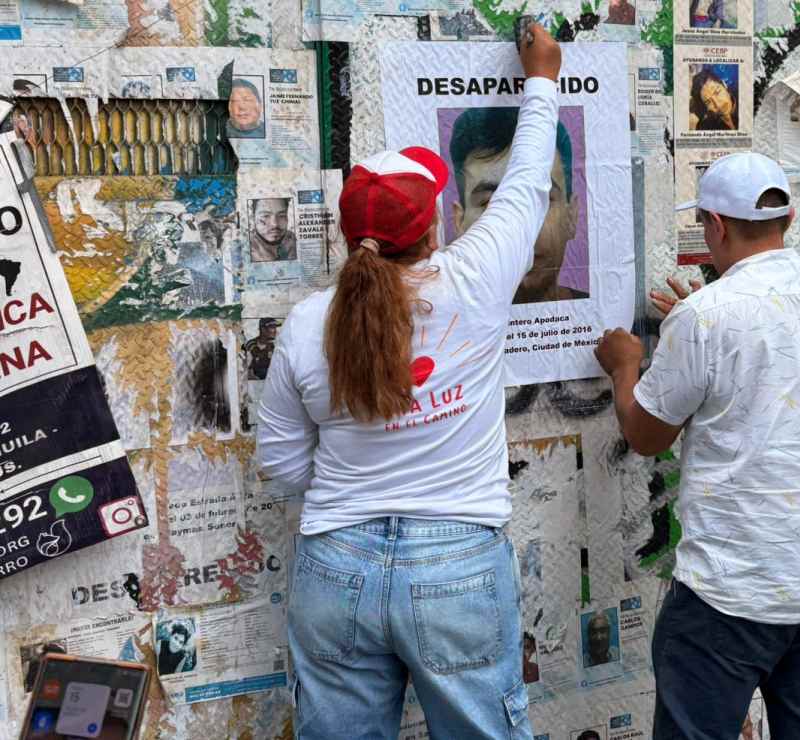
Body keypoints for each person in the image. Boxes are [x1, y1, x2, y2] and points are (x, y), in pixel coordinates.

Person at [256, 24, 562, 740]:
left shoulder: (306, 324)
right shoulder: (475, 278)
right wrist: (541, 77)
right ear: (435, 225)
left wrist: (355, 475)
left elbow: (280, 461)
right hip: (457, 562)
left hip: (335, 568)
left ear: (343, 235)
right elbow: (524, 185)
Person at [594, 152, 800, 740]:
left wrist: (627, 367)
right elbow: (774, 367)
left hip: (730, 594)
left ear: (715, 225)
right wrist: (693, 324)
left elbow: (646, 434)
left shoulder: (706, 317)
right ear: (788, 221)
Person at [447, 107, 585, 305]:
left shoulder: (603, 318)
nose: (518, 230)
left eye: (540, 201)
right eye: (490, 203)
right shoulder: (441, 327)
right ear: (459, 223)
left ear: (571, 215)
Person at [689, 67, 738, 131]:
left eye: (717, 92)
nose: (718, 105)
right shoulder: (706, 127)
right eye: (708, 102)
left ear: (724, 85)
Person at [249, 198, 297, 262]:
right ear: (253, 218)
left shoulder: (294, 240)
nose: (275, 224)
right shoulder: (243, 247)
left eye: (281, 216)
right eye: (266, 216)